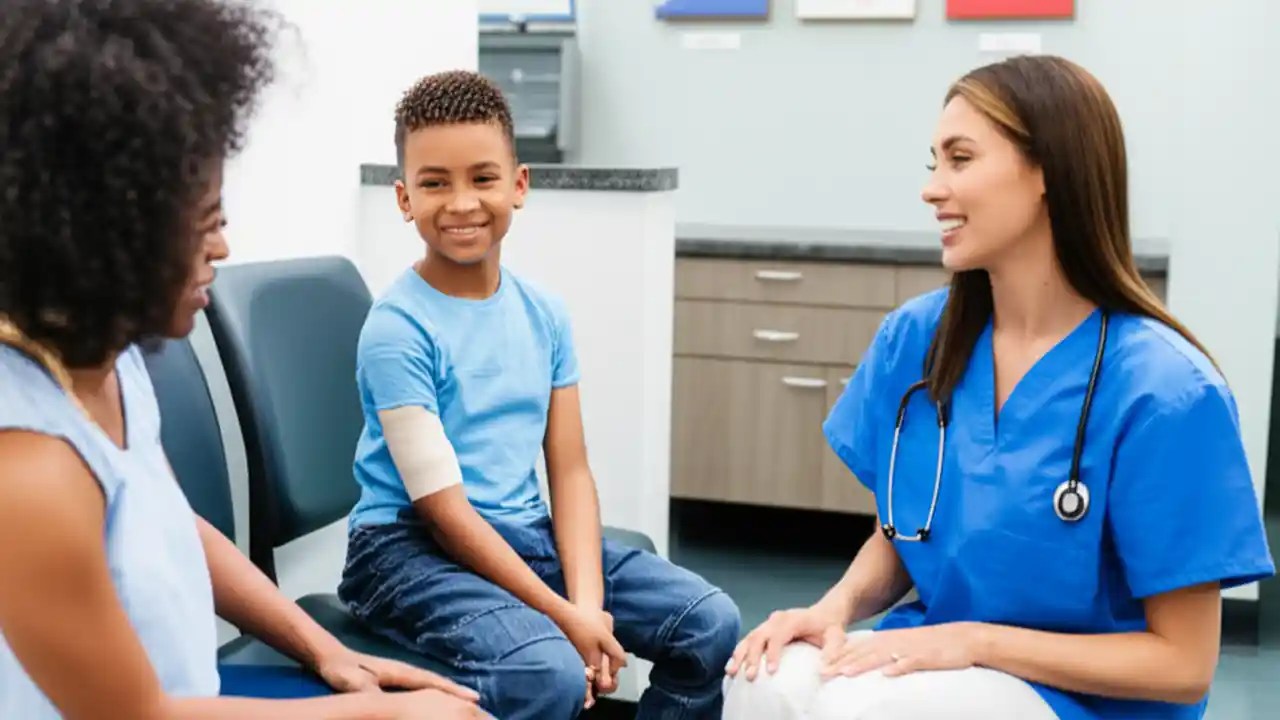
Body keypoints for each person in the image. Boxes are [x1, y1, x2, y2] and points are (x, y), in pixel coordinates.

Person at [721, 54, 1275, 720]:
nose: (932, 189)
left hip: (1085, 698)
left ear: (1047, 172)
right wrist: (829, 610)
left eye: (961, 159)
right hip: (939, 654)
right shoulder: (918, 339)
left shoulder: (1164, 390)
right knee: (762, 677)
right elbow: (901, 536)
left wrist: (977, 641)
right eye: (934, 163)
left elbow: (1183, 666)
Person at [0, 1, 486, 718]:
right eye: (203, 226)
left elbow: (172, 524)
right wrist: (381, 714)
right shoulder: (27, 470)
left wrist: (323, 647)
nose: (222, 251)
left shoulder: (105, 358)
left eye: (219, 220)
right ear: (99, 237)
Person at [336, 69, 742, 720]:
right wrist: (562, 620)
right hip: (405, 551)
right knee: (545, 670)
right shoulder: (395, 329)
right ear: (404, 198)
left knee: (709, 624)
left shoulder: (544, 314)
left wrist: (585, 607)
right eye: (434, 182)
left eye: (482, 178)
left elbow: (571, 471)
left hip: (524, 535)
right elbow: (443, 511)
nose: (461, 202)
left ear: (519, 185)